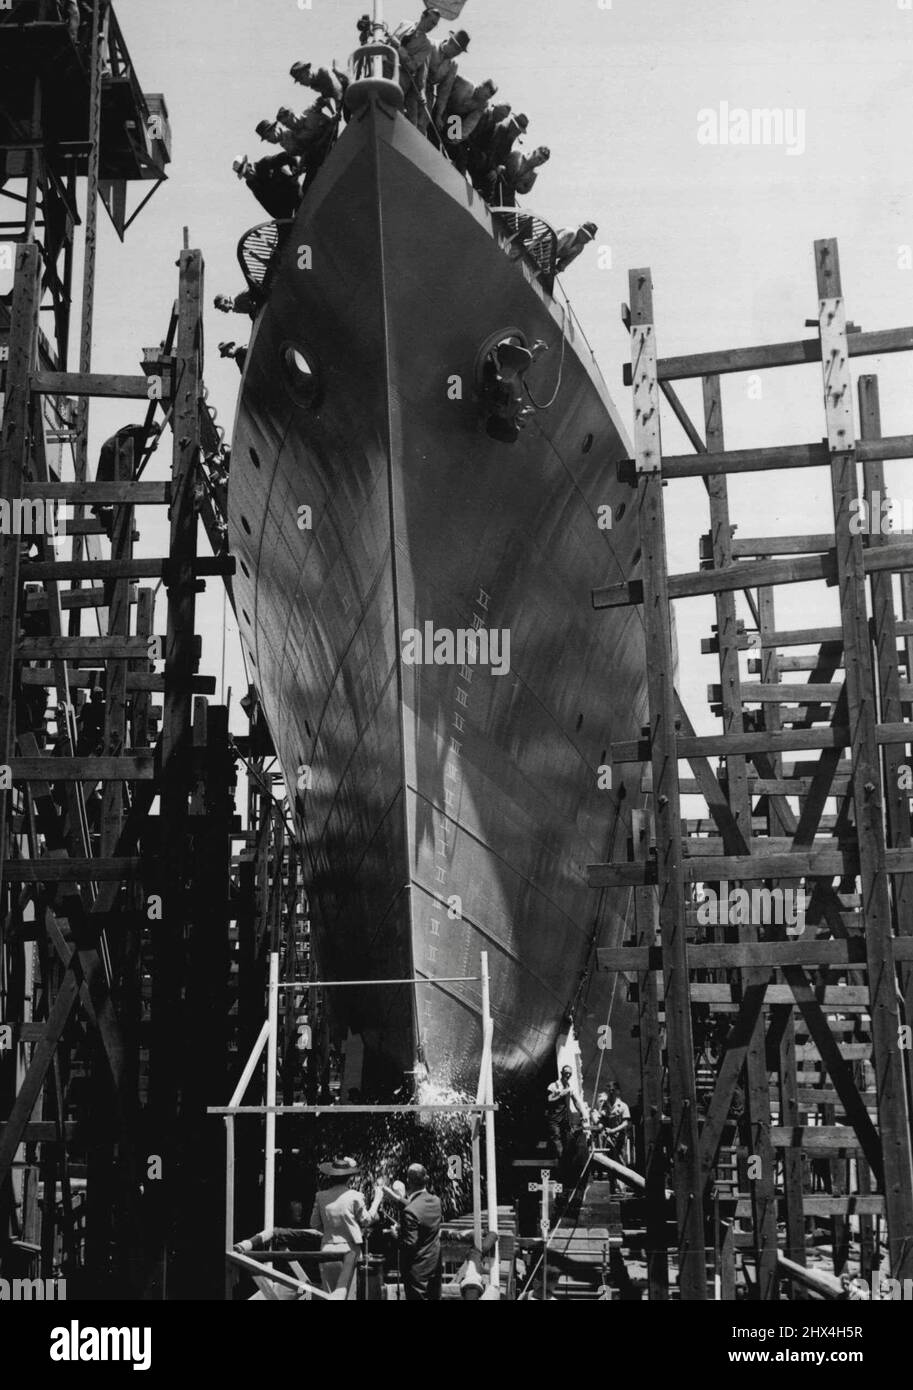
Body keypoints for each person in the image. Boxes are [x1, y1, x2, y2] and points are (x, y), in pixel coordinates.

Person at [309, 1156, 384, 1298]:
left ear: (330, 1176)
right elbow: (366, 1220)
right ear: (349, 1177)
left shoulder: (320, 1196)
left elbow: (314, 1224)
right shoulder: (355, 1196)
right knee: (348, 1294)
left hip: (326, 1250)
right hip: (349, 1252)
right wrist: (376, 1201)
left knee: (329, 1295)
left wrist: (331, 1232)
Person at [93, 422, 161, 538]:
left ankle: (100, 506)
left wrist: (149, 449)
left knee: (109, 480)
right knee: (105, 478)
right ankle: (99, 505)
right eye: (152, 432)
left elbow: (135, 450)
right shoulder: (136, 429)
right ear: (150, 428)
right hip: (111, 450)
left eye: (152, 434)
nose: (149, 436)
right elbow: (124, 439)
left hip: (116, 452)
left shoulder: (138, 433)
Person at [397, 1163, 442, 1301]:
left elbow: (410, 1243)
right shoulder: (436, 1201)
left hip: (417, 1270)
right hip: (434, 1264)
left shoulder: (410, 1211)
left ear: (409, 1182)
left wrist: (397, 1235)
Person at [391, 8, 441, 126]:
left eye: (435, 24)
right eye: (431, 21)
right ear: (423, 16)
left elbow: (413, 66)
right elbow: (390, 40)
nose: (432, 26)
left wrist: (401, 50)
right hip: (385, 64)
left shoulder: (426, 46)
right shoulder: (404, 24)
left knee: (395, 98)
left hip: (401, 75)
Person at [232, 153, 302, 220]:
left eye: (248, 171)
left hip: (295, 193)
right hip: (284, 211)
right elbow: (269, 207)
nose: (249, 174)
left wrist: (294, 167)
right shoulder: (254, 187)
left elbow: (288, 156)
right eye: (245, 175)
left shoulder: (265, 163)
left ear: (249, 165)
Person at [426, 28, 470, 134]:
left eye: (459, 52)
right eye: (456, 50)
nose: (457, 55)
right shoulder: (430, 45)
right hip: (413, 80)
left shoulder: (453, 65)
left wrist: (439, 116)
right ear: (450, 42)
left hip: (428, 91)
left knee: (424, 120)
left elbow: (444, 91)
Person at [546, 1065, 588, 1160]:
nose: (568, 1075)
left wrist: (582, 1113)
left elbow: (576, 1102)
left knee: (567, 1141)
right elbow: (548, 1099)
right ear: (561, 1073)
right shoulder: (553, 1086)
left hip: (565, 1119)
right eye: (566, 1073)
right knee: (556, 1139)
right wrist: (560, 1094)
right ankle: (561, 1162)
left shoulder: (570, 1087)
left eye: (570, 1074)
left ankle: (565, 1163)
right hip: (554, 1119)